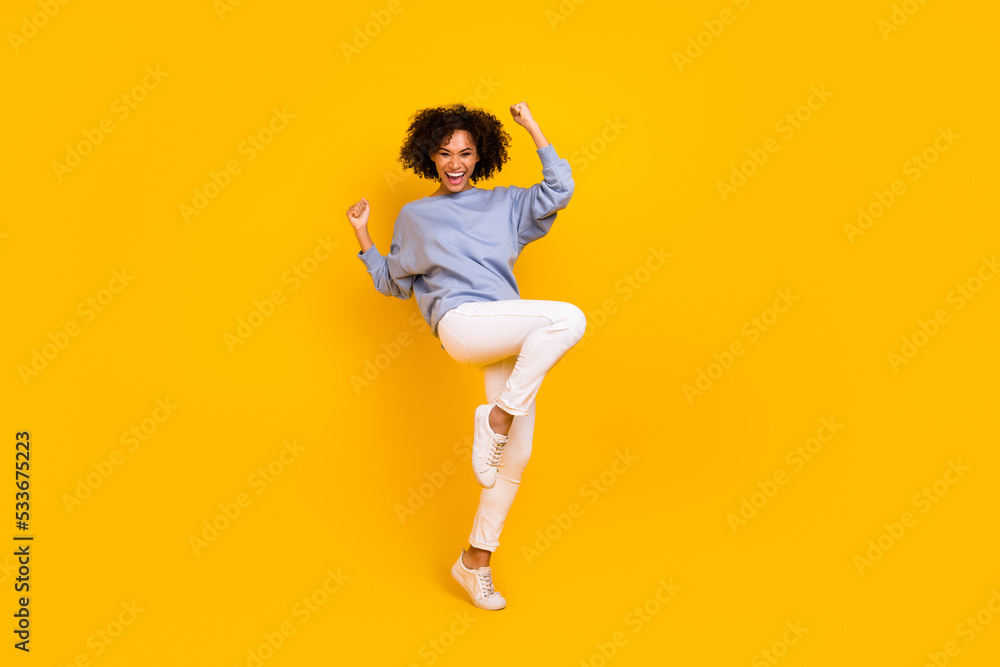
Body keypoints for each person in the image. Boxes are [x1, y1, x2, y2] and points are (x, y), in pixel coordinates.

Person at [346, 101, 586, 610]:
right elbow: (393, 281)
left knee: (515, 459)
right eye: (444, 153)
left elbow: (559, 190)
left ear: (481, 156)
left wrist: (534, 128)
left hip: (509, 334)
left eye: (466, 153)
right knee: (568, 318)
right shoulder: (416, 216)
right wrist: (364, 234)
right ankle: (496, 417)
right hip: (461, 323)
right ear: (428, 158)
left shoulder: (504, 205)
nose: (455, 163)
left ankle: (474, 561)